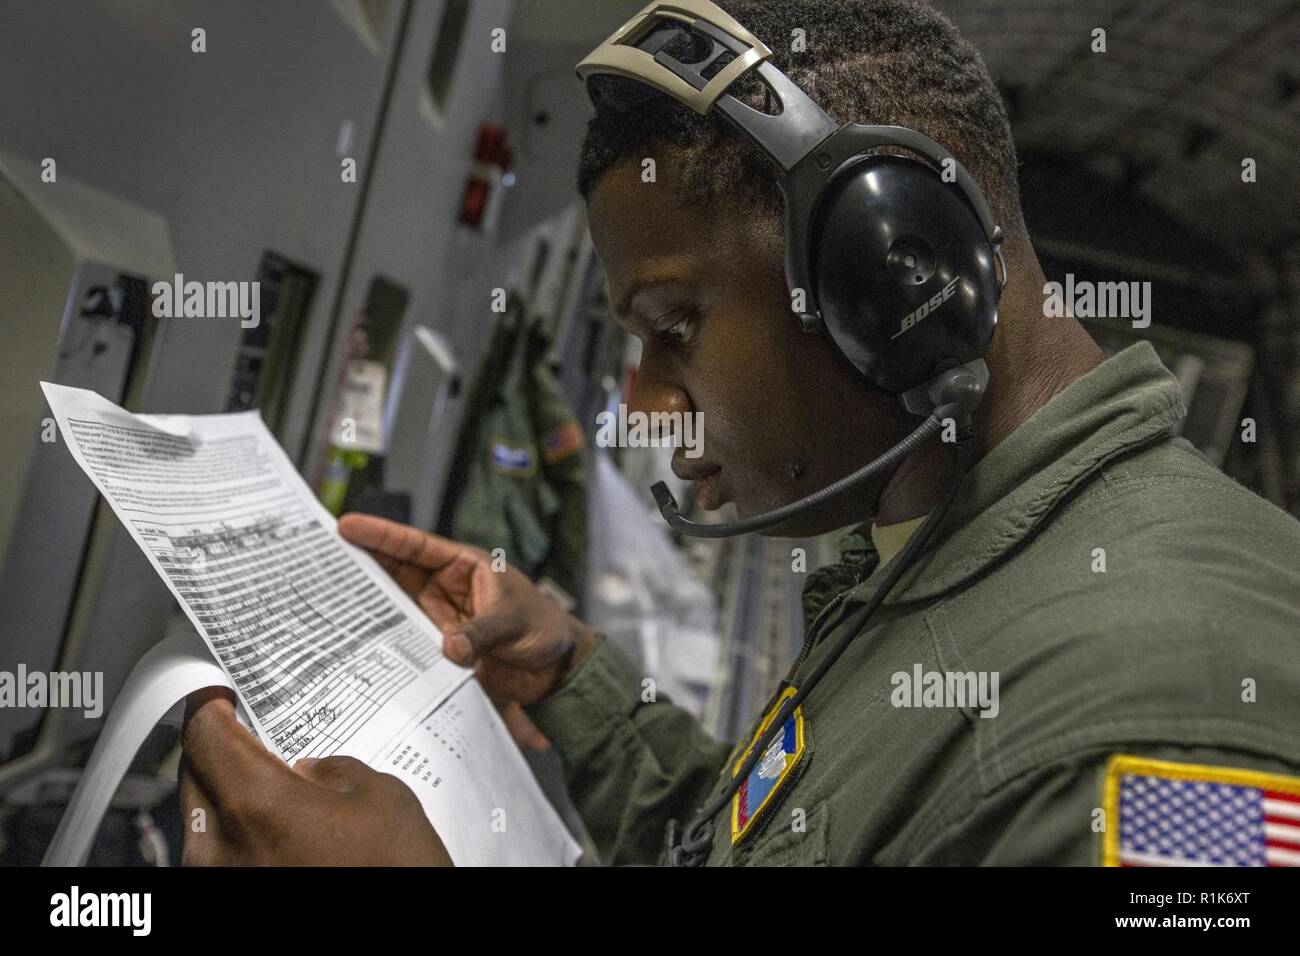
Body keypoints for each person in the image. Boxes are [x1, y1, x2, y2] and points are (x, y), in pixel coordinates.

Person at [181, 0, 1300, 867]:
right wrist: (580, 684)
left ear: (891, 277)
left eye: (673, 329)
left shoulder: (1163, 735)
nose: (649, 404)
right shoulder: (943, 544)